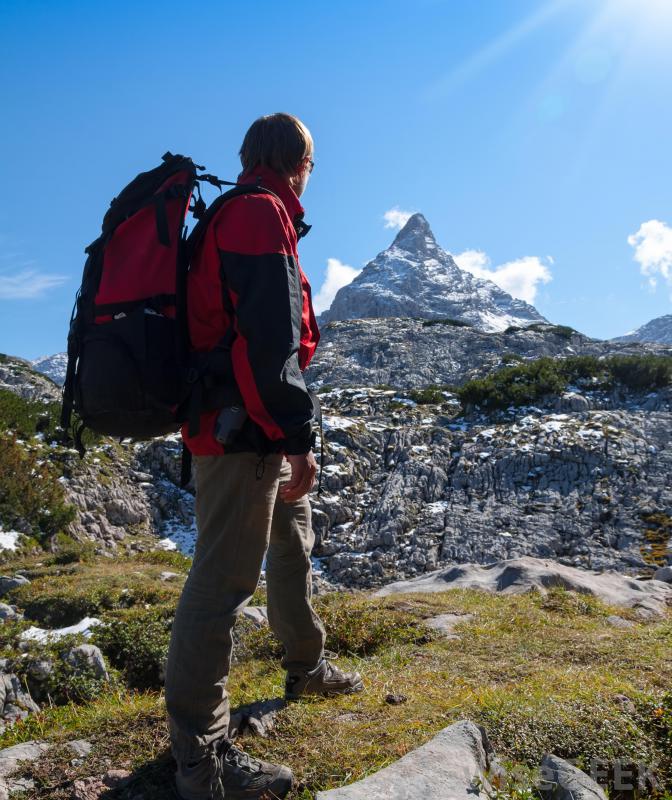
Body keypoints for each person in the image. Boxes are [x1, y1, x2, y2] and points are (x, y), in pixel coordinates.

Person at [164, 113, 363, 800]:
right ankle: (201, 761)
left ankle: (305, 666)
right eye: (312, 161)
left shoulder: (246, 211)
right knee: (219, 588)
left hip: (246, 427)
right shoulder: (257, 216)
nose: (313, 173)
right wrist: (295, 439)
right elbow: (268, 341)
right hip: (241, 434)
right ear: (297, 160)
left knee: (291, 551)